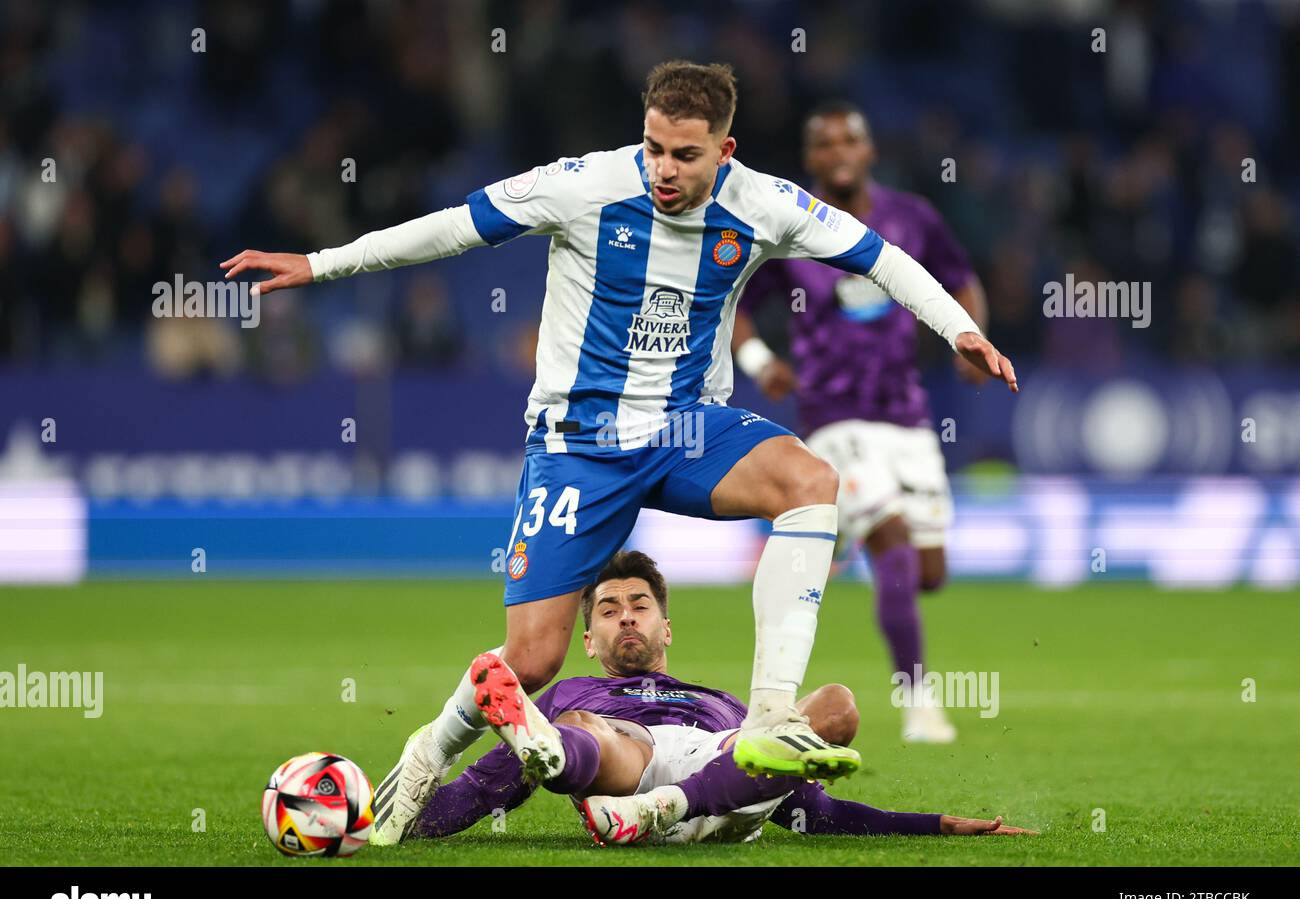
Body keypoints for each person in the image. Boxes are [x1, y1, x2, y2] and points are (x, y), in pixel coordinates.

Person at [221, 62, 1018, 845]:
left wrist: (959, 329)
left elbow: (879, 255)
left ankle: (773, 711)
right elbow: (453, 228)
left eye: (684, 155)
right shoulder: (583, 186)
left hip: (685, 429)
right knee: (532, 661)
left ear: (725, 152)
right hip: (581, 445)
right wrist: (323, 263)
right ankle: (427, 749)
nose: (663, 169)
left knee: (811, 482)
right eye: (653, 148)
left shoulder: (765, 205)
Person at [418, 550, 1035, 846]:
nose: (626, 618)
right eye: (609, 610)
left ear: (667, 629)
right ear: (587, 640)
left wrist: (938, 826)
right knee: (582, 726)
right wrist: (389, 827)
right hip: (627, 764)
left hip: (728, 758)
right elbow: (481, 791)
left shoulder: (728, 702)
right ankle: (565, 760)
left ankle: (666, 802)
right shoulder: (568, 693)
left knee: (837, 704)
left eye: (640, 606)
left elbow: (814, 813)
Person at [733, 103, 994, 743]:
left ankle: (841, 535)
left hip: (905, 417)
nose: (839, 150)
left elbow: (961, 279)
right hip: (832, 420)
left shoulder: (913, 217)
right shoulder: (790, 228)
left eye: (850, 138)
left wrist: (972, 339)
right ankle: (919, 703)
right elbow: (734, 301)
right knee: (896, 545)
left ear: (870, 150)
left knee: (927, 573)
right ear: (812, 158)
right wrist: (760, 358)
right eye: (824, 143)